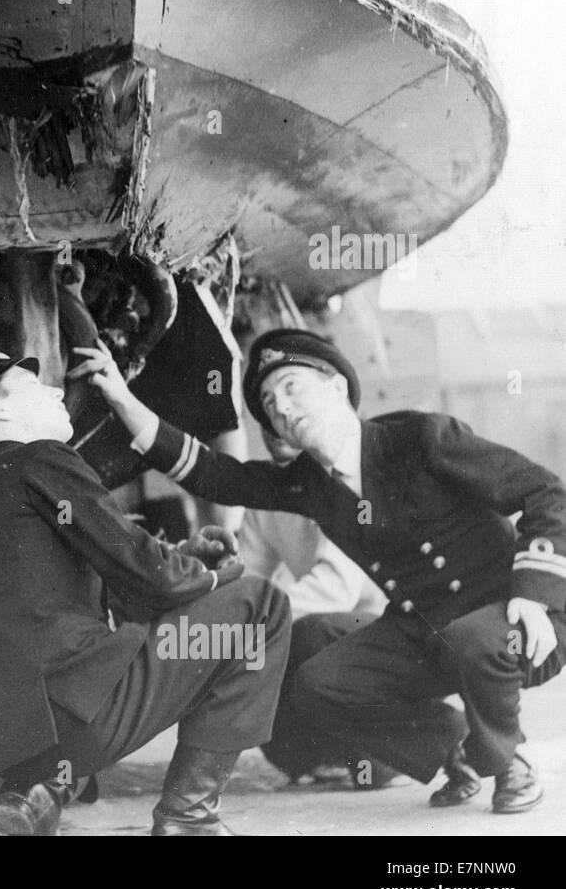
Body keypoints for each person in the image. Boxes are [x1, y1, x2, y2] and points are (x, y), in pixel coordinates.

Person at [95, 327, 566, 813]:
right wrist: (120, 397)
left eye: (293, 386)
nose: (282, 407)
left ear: (337, 385)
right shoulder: (310, 484)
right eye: (270, 404)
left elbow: (545, 492)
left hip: (517, 621)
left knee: (474, 639)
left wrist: (534, 596)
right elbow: (217, 474)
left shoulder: (420, 438)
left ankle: (509, 764)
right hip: (427, 629)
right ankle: (453, 747)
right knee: (320, 685)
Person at [0, 345, 291, 836]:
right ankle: (188, 818)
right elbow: (148, 574)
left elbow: (86, 586)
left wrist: (183, 557)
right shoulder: (41, 457)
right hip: (77, 720)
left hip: (11, 744)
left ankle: (39, 792)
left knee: (112, 642)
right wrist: (214, 577)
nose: (56, 390)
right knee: (262, 606)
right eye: (32, 385)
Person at [239, 429, 390, 783]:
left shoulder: (345, 480)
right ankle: (315, 754)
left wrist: (258, 625)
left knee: (306, 634)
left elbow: (336, 590)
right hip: (319, 621)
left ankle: (382, 753)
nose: (277, 422)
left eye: (290, 398)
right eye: (266, 409)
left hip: (382, 622)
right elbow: (248, 578)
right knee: (257, 649)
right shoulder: (265, 490)